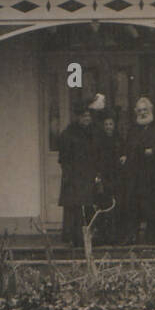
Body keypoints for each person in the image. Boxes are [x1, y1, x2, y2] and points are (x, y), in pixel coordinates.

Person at [119, 96, 155, 244]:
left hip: (152, 175)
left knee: (152, 207)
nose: (143, 113)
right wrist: (125, 156)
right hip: (135, 175)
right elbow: (127, 146)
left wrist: (154, 151)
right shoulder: (133, 130)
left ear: (151, 110)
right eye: (139, 110)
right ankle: (132, 237)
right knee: (133, 206)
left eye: (145, 110)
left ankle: (151, 239)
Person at [56, 101, 97, 248]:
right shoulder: (69, 134)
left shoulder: (91, 133)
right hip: (73, 177)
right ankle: (72, 239)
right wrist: (69, 174)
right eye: (84, 116)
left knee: (85, 208)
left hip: (87, 176)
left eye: (89, 116)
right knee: (73, 208)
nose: (87, 119)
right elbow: (64, 159)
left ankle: (84, 239)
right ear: (78, 117)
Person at [91, 105, 121, 245]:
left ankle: (114, 236)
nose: (109, 127)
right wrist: (97, 176)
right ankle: (102, 236)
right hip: (103, 177)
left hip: (116, 176)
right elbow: (95, 159)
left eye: (111, 124)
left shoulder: (118, 139)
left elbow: (123, 154)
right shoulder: (99, 141)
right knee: (103, 206)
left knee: (115, 206)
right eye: (106, 124)